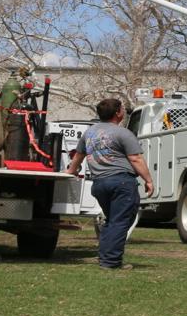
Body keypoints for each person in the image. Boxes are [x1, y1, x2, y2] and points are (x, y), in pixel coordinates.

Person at [64, 98, 155, 269]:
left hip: (99, 184)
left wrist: (70, 171)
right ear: (117, 113)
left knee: (113, 221)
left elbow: (78, 156)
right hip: (121, 182)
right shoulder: (123, 133)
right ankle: (111, 262)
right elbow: (135, 158)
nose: (124, 111)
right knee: (120, 221)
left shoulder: (89, 133)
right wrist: (148, 180)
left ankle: (105, 257)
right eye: (122, 108)